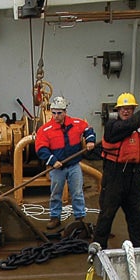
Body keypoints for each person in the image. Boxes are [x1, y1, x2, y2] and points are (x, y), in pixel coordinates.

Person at [95, 92, 140, 248]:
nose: (126, 111)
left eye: (129, 109)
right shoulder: (113, 127)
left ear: (133, 110)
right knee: (106, 216)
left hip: (133, 178)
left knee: (136, 217)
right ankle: (98, 249)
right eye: (123, 109)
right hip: (114, 178)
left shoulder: (139, 131)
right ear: (117, 111)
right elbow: (128, 126)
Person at [34, 95, 97, 230]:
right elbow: (40, 148)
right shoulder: (45, 130)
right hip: (57, 168)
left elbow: (87, 129)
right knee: (56, 193)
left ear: (65, 112)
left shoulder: (76, 124)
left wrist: (90, 140)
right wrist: (53, 161)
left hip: (74, 165)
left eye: (59, 113)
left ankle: (79, 218)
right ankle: (55, 217)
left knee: (77, 193)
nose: (56, 116)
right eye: (54, 113)